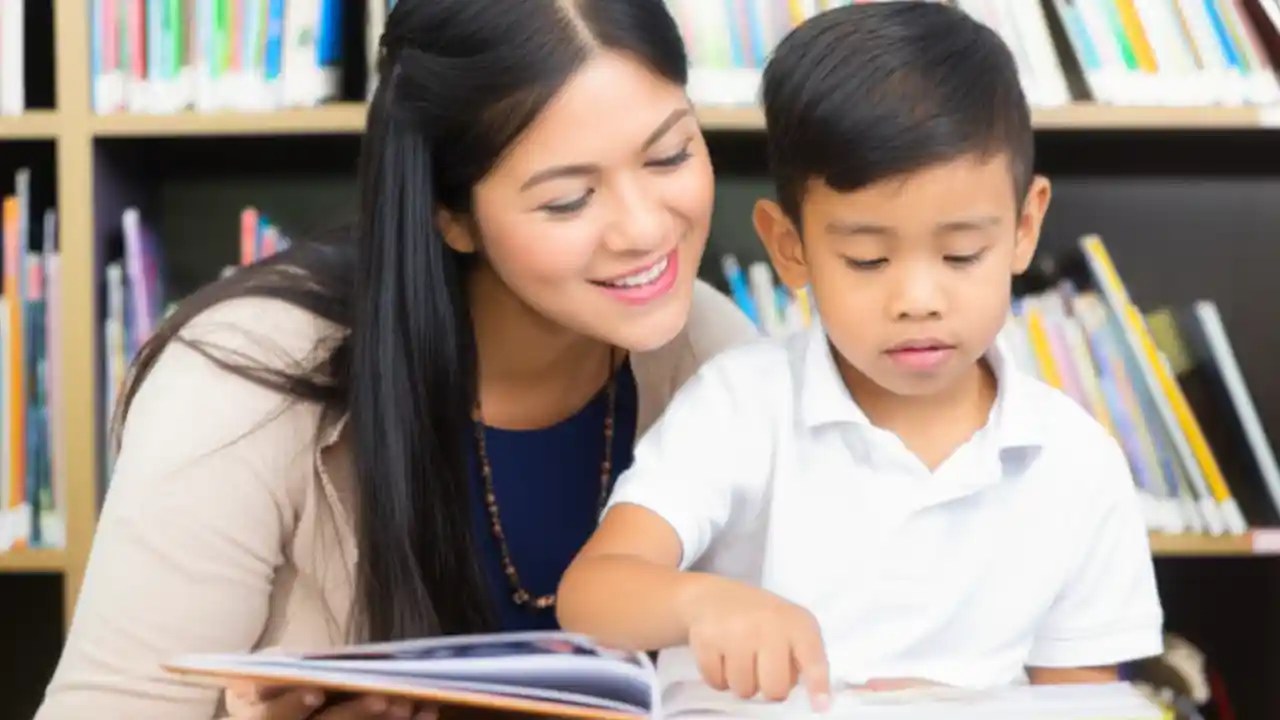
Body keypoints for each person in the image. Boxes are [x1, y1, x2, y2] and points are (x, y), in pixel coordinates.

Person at [33, 1, 758, 718]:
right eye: (568, 200)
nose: (643, 229)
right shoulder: (238, 381)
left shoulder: (713, 356)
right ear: (452, 213)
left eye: (670, 155)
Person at [556, 2, 1165, 715]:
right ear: (790, 248)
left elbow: (1081, 704)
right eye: (868, 260)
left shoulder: (1075, 463)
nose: (917, 299)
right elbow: (591, 597)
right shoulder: (741, 406)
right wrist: (701, 602)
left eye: (963, 254)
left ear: (1025, 226)